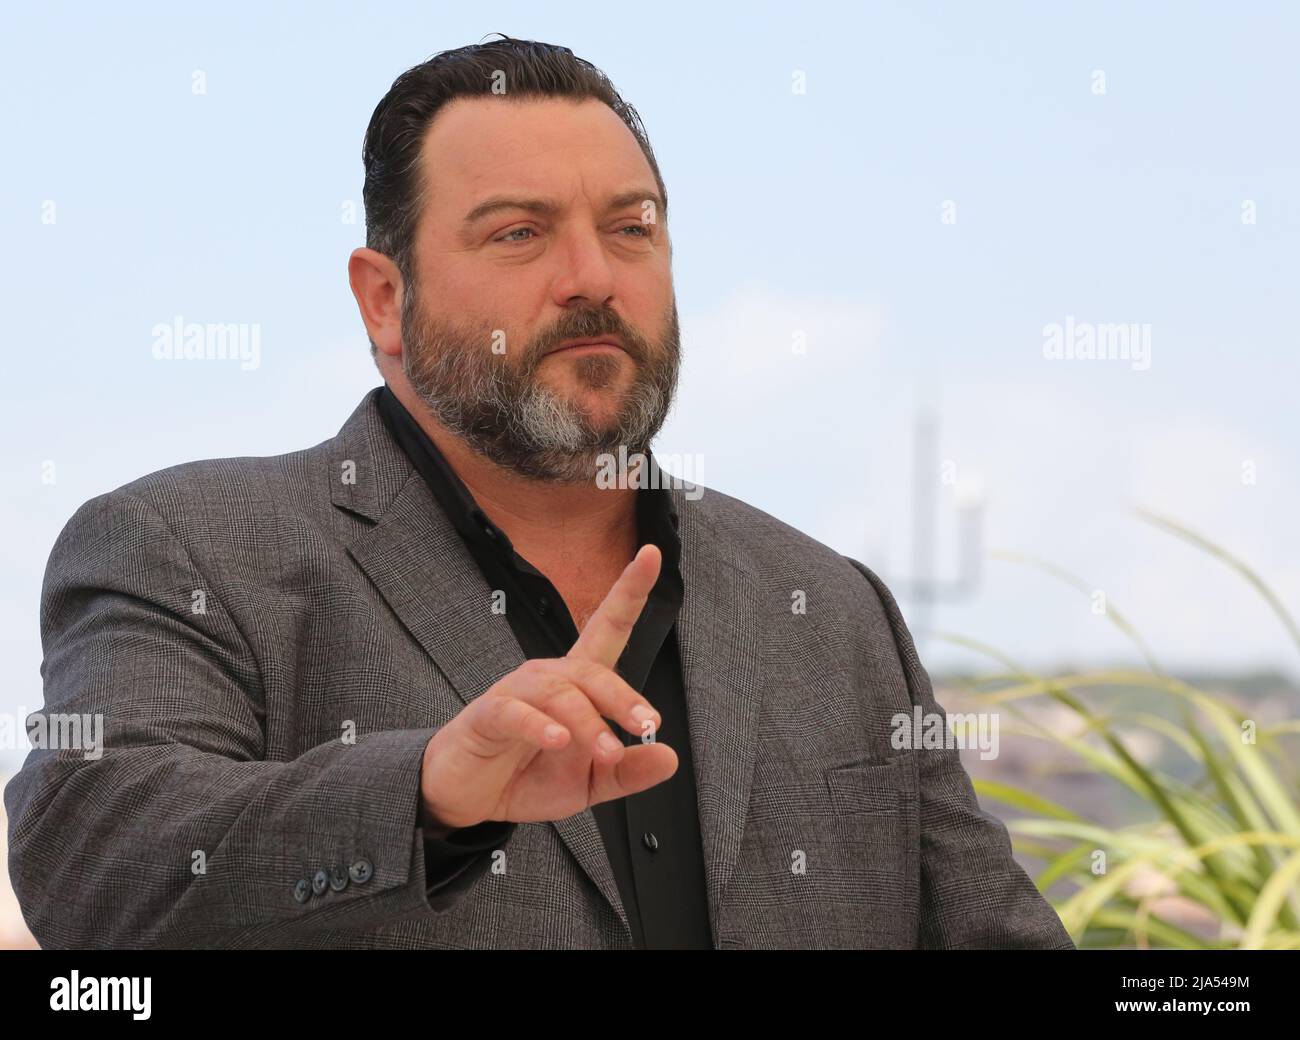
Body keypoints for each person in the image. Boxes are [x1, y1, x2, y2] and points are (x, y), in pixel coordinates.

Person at [4, 35, 1074, 950]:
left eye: (630, 226)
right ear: (385, 300)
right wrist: (425, 791)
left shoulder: (831, 606)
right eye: (518, 232)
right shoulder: (188, 548)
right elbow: (89, 851)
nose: (592, 276)